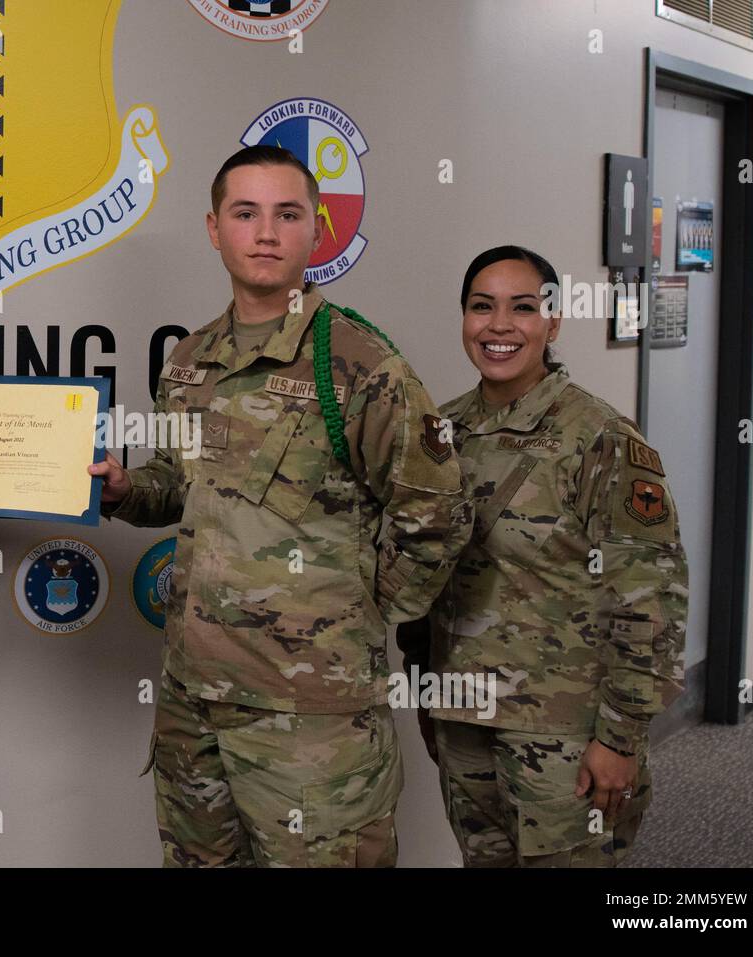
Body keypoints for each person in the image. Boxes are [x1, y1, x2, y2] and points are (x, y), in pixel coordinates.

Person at [90, 146, 471, 867]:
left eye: (287, 214)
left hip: (311, 720)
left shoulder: (361, 364)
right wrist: (124, 491)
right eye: (245, 213)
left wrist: (357, 614)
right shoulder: (190, 361)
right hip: (194, 700)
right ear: (214, 229)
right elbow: (180, 482)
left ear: (316, 230)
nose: (265, 232)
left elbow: (438, 514)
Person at [396, 245, 688, 867]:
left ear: (553, 322)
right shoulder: (440, 433)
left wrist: (621, 737)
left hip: (563, 735)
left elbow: (650, 599)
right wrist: (422, 684)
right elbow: (421, 573)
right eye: (482, 307)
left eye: (523, 308)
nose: (499, 325)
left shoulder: (599, 438)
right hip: (462, 716)